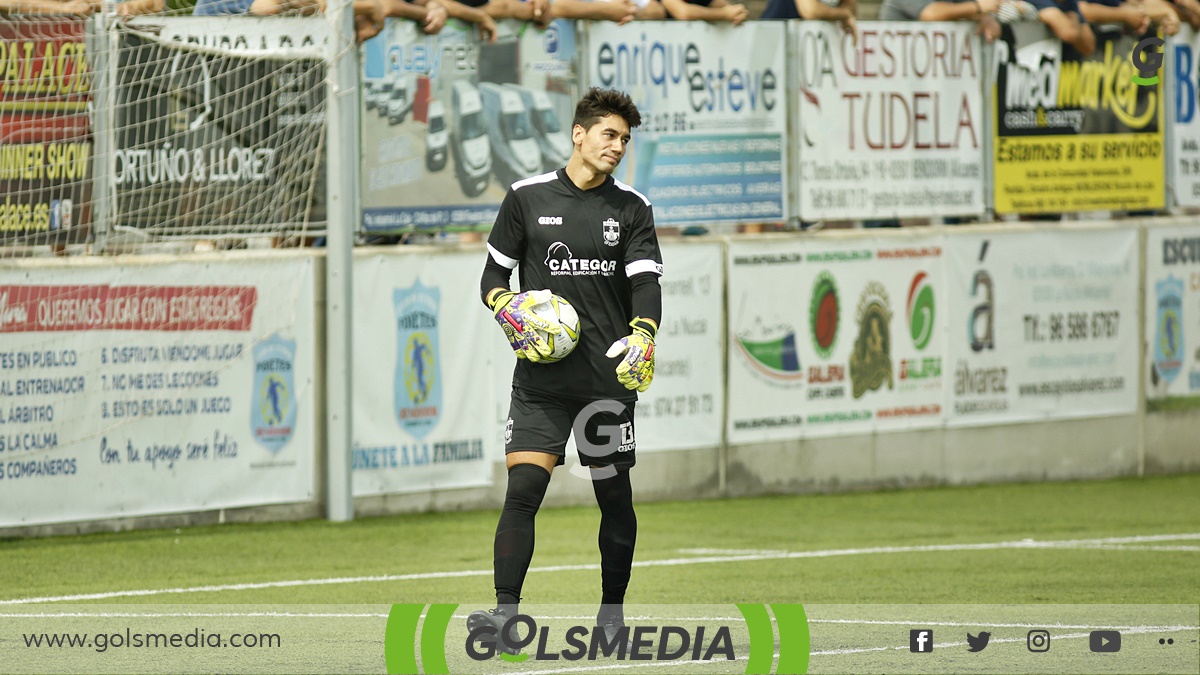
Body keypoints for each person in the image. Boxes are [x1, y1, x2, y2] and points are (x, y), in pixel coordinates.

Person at [468, 87, 663, 655]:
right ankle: (505, 616)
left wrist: (644, 333)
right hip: (541, 385)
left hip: (605, 386)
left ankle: (611, 616)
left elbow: (646, 284)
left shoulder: (632, 208)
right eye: (609, 134)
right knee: (523, 490)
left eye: (625, 139)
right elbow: (492, 277)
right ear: (579, 134)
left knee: (614, 499)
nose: (618, 146)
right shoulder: (525, 197)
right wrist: (505, 306)